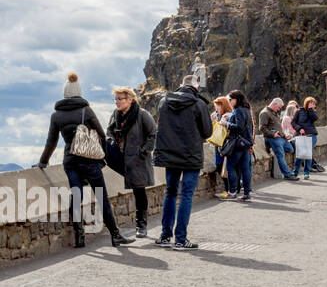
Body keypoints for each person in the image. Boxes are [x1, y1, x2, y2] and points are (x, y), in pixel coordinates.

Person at [38, 73, 133, 248]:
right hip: (89, 161)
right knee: (101, 197)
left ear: (65, 93)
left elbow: (51, 142)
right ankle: (115, 235)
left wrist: (43, 162)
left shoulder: (56, 115)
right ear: (79, 92)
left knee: (76, 197)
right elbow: (102, 136)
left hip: (70, 162)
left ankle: (79, 237)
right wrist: (102, 158)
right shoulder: (85, 111)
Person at [152, 74, 212, 249]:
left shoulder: (164, 102)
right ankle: (180, 239)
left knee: (170, 193)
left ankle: (165, 236)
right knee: (186, 194)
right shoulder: (199, 104)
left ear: (180, 85)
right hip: (191, 155)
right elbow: (207, 132)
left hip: (170, 155)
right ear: (196, 87)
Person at [105, 86, 157, 239]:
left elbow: (152, 134)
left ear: (130, 99)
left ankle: (141, 226)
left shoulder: (142, 115)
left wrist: (143, 152)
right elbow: (109, 131)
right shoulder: (116, 115)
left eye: (120, 99)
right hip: (121, 159)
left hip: (137, 159)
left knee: (139, 191)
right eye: (115, 99)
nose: (117, 102)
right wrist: (111, 141)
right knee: (136, 188)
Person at [222, 89, 255, 201]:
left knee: (230, 167)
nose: (229, 102)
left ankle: (232, 192)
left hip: (237, 144)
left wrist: (226, 123)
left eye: (230, 100)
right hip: (245, 143)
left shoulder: (238, 110)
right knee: (245, 169)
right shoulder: (246, 109)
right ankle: (246, 193)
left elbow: (238, 127)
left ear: (236, 99)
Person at [260, 98, 298, 181]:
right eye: (279, 107)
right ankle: (287, 175)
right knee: (280, 155)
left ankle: (272, 149)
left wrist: (284, 136)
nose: (279, 109)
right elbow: (262, 128)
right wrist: (272, 134)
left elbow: (278, 127)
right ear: (275, 104)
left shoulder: (275, 112)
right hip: (273, 138)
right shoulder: (264, 113)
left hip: (281, 137)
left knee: (290, 149)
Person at [292, 97, 320, 177]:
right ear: (306, 103)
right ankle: (295, 171)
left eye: (314, 103)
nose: (313, 105)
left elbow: (315, 119)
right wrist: (299, 128)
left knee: (308, 153)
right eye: (311, 103)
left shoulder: (313, 112)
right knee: (299, 154)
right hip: (301, 135)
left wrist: (310, 110)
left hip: (311, 135)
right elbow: (293, 122)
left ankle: (307, 172)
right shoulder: (299, 111)